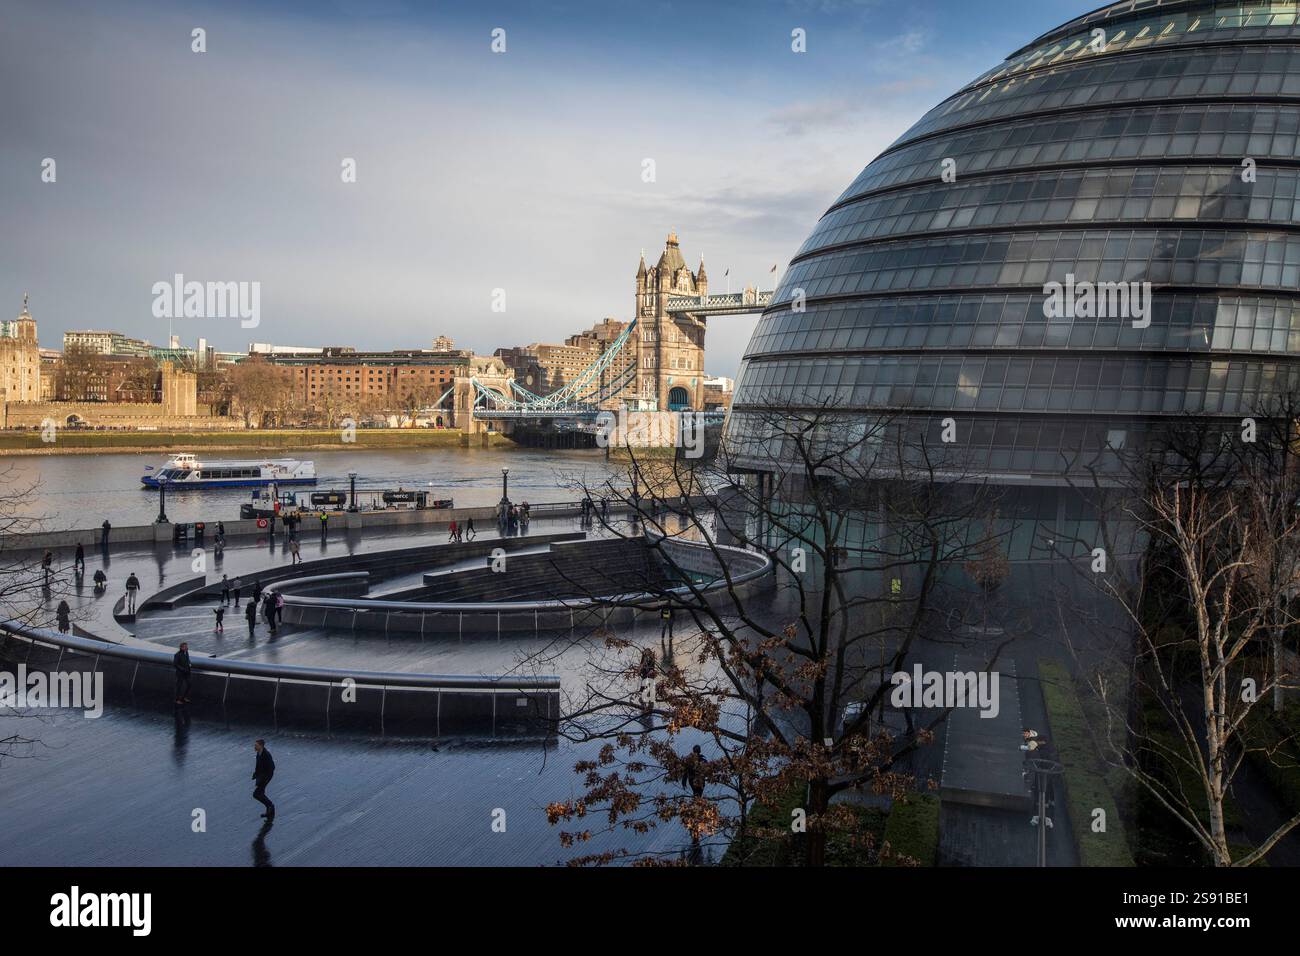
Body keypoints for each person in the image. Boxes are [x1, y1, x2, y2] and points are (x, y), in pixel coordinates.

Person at [251, 739, 276, 820]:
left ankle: (270, 806)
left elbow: (272, 767)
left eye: (256, 745)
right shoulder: (259, 753)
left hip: (266, 777)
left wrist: (265, 778)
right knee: (260, 793)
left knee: (256, 794)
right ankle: (270, 810)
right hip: (261, 777)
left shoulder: (266, 755)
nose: (254, 747)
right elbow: (258, 765)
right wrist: (256, 774)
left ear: (261, 746)